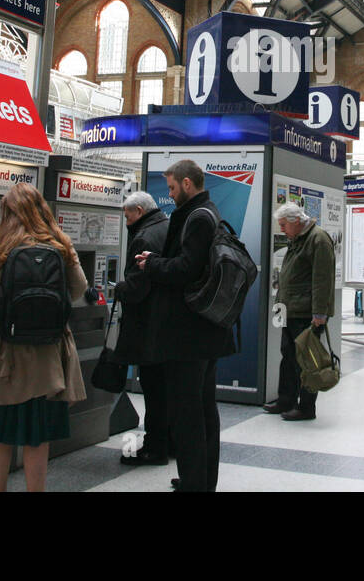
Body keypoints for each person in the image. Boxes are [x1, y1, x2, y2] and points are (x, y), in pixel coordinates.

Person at [0, 182, 88, 491]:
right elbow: (80, 288)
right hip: (47, 351)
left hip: (4, 350)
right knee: (36, 433)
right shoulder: (60, 243)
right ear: (41, 209)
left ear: (8, 211)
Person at [135, 160, 236, 492]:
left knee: (188, 413)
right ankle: (201, 480)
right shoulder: (208, 212)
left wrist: (152, 263)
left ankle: (195, 483)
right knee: (204, 409)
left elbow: (185, 269)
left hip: (190, 335)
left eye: (173, 188)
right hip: (205, 332)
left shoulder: (197, 218)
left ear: (188, 184)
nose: (170, 194)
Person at [113, 191, 171, 466]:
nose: (126, 221)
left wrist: (119, 289)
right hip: (166, 322)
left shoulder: (145, 236)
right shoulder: (167, 226)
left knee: (154, 389)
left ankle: (154, 447)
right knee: (166, 389)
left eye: (127, 215)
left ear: (138, 210)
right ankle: (170, 442)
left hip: (149, 325)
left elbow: (137, 287)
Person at [267, 202, 336, 421]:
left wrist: (319, 314)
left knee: (307, 361)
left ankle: (306, 407)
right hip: (291, 309)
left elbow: (323, 280)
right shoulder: (298, 238)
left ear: (296, 221)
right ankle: (285, 399)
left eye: (284, 224)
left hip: (307, 313)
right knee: (288, 357)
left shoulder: (318, 239)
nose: (282, 229)